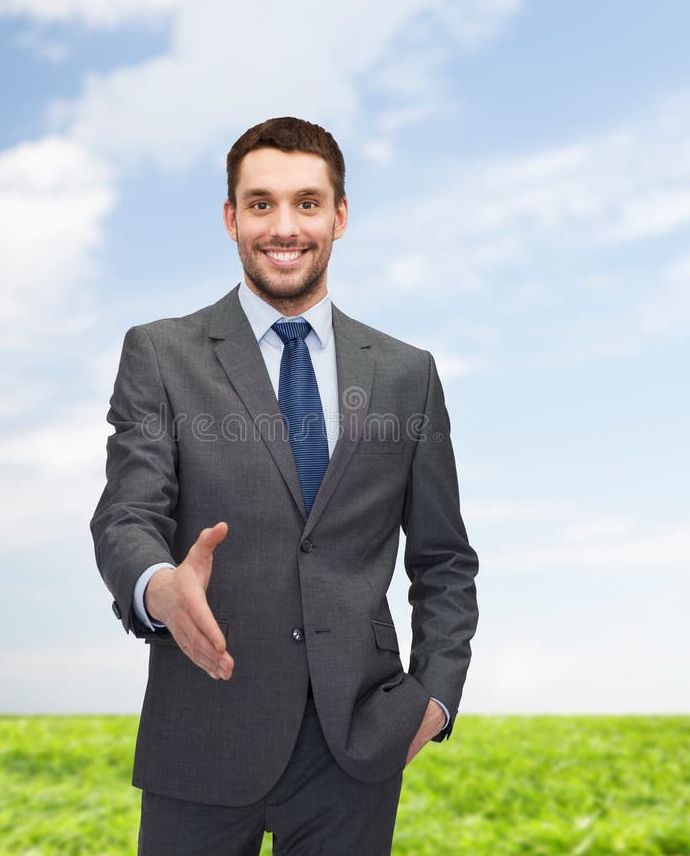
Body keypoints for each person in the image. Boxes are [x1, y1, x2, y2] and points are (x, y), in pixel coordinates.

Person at [91, 116, 479, 856]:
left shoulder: (406, 373)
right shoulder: (160, 353)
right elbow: (126, 515)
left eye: (307, 202)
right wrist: (160, 589)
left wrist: (435, 697)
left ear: (339, 214)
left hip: (356, 746)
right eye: (261, 203)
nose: (284, 226)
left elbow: (444, 559)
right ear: (232, 218)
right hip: (202, 734)